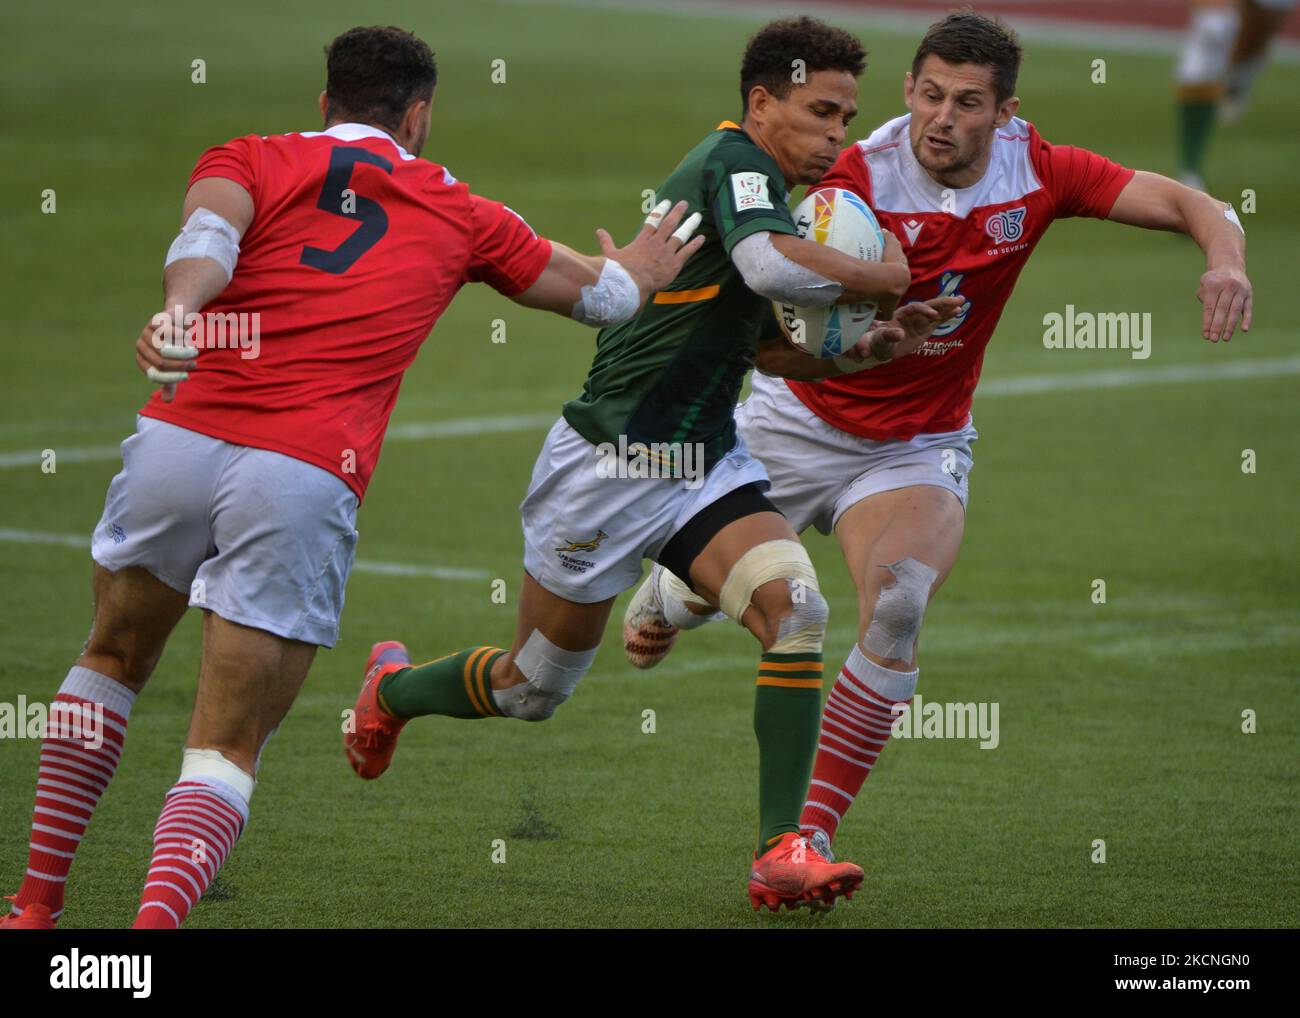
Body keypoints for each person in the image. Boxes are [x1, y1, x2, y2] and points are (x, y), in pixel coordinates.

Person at [2, 24, 702, 931]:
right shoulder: (461, 210)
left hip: (177, 443)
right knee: (224, 742)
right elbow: (602, 300)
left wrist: (181, 312)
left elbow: (208, 236)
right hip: (299, 475)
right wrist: (640, 270)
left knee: (108, 660)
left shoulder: (250, 155)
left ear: (324, 102)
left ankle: (33, 906)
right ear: (418, 116)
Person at [624, 11, 1253, 863]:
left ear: (1004, 111)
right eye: (928, 95)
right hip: (792, 420)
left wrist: (1225, 260)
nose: (942, 118)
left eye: (966, 102)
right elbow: (757, 290)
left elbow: (1189, 201)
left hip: (915, 444)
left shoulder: (1038, 172)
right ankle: (674, 593)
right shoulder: (851, 180)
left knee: (902, 600)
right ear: (908, 93)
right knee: (710, 593)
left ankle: (802, 839)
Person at [343, 16, 927, 913]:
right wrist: (884, 276)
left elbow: (766, 349)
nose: (837, 138)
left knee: (797, 610)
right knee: (531, 687)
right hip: (609, 463)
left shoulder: (760, 183)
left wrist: (862, 354)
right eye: (821, 113)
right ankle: (391, 689)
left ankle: (782, 848)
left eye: (847, 119)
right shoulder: (735, 162)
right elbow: (772, 269)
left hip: (703, 462)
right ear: (762, 103)